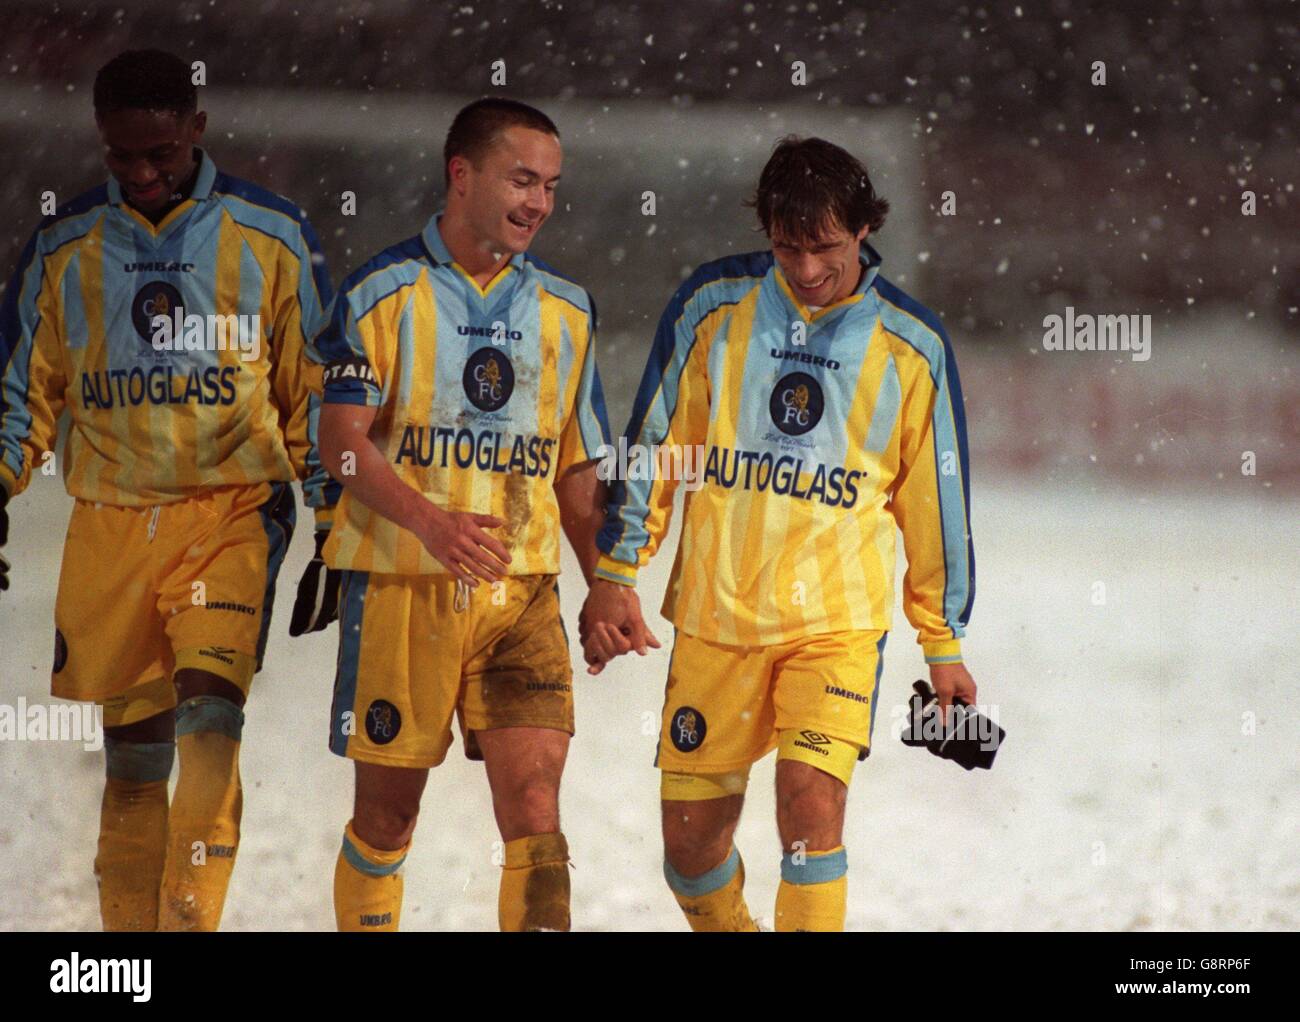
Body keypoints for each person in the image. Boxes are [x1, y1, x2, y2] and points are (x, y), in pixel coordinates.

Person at [581, 136, 978, 932]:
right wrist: (616, 570)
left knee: (809, 811)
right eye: (788, 246)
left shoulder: (913, 346)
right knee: (690, 853)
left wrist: (943, 643)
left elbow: (937, 504)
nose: (805, 267)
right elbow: (657, 444)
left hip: (835, 626)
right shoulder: (710, 306)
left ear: (864, 229)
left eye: (824, 246)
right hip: (716, 620)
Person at [0, 49, 339, 930]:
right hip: (112, 525)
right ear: (101, 143)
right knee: (135, 767)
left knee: (211, 729)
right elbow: (17, 399)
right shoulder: (63, 249)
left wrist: (336, 526)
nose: (145, 174)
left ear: (198, 129)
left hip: (230, 513)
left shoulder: (271, 235)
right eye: (124, 157)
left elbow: (315, 393)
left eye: (163, 154)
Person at [312, 97, 612, 931]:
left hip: (523, 599)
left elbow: (577, 465)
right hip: (403, 592)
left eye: (550, 187)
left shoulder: (567, 311)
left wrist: (607, 586)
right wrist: (430, 522)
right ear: (462, 174)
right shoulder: (382, 293)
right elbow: (340, 445)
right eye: (521, 180)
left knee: (536, 812)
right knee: (387, 821)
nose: (537, 204)